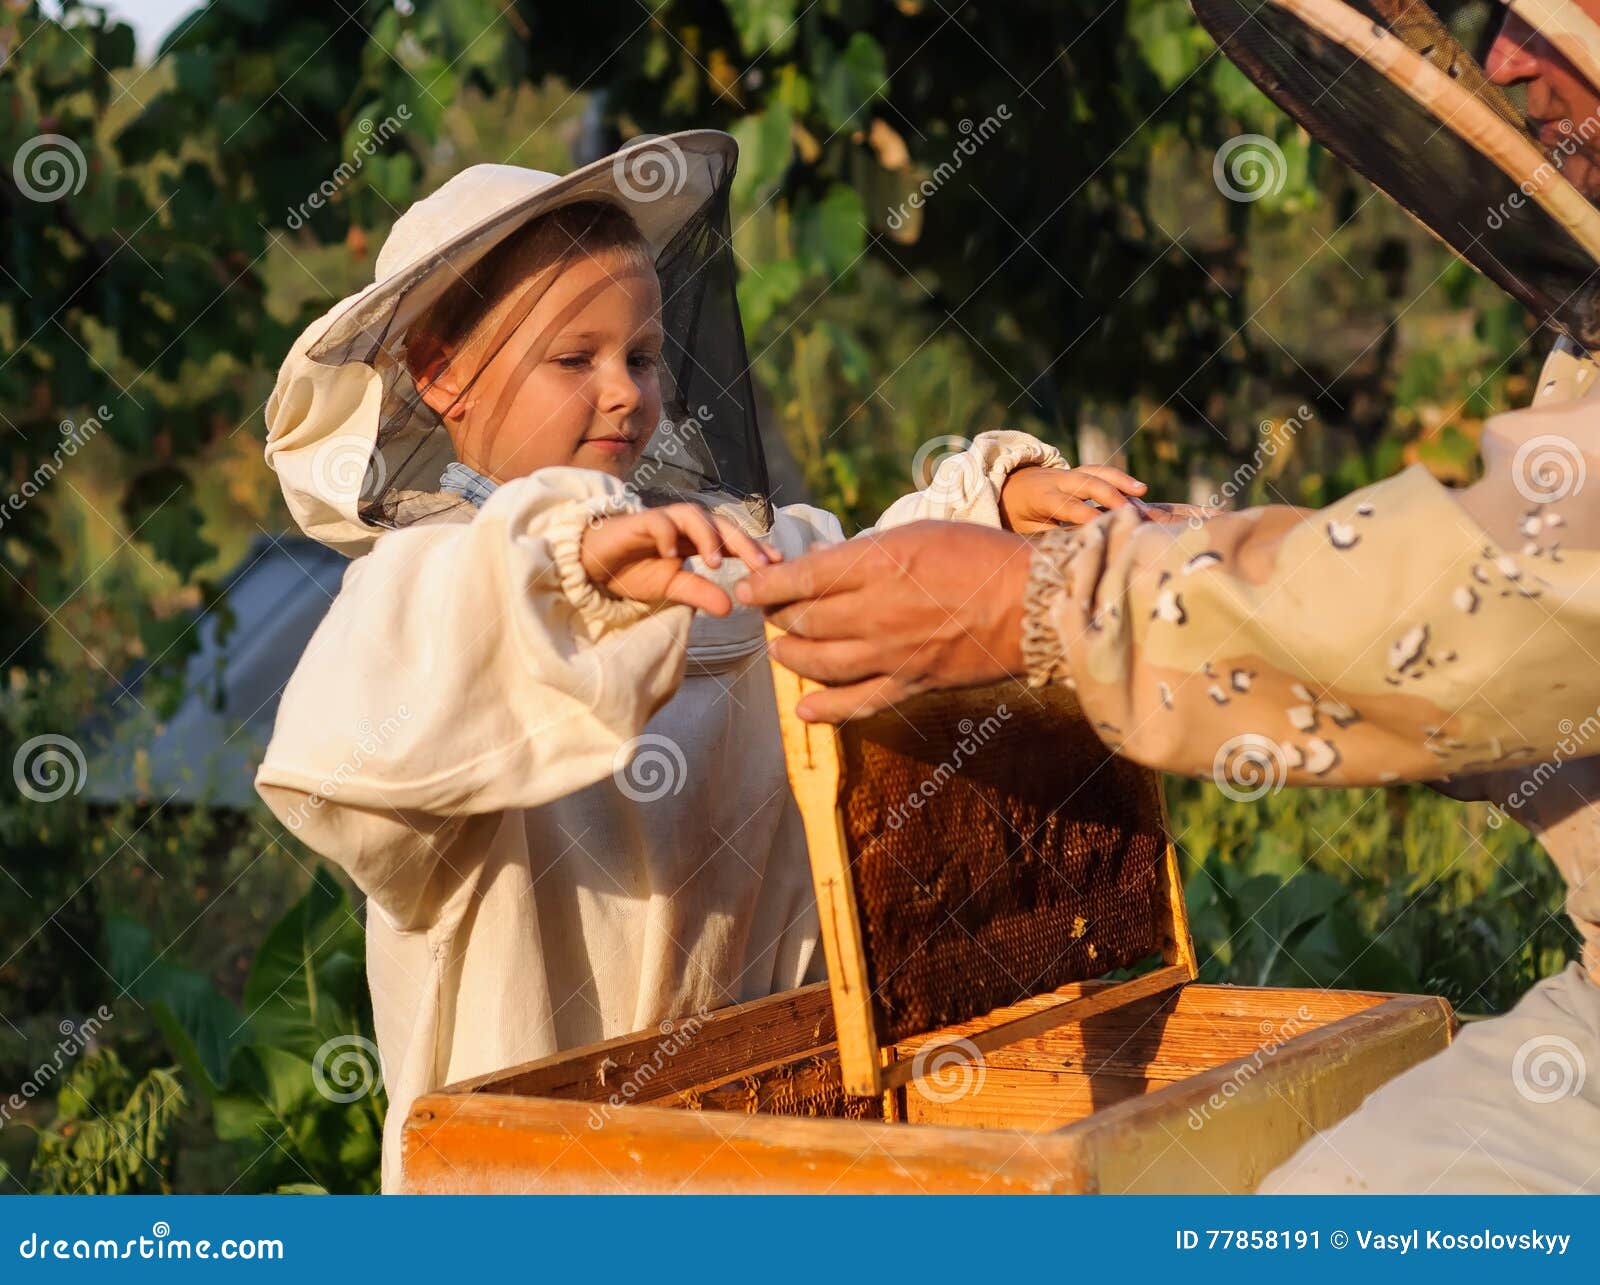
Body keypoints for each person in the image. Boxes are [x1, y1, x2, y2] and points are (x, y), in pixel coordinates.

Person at [251, 132, 1163, 1191]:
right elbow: (343, 761)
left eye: (640, 355)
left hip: (765, 1130)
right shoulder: (430, 589)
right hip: (528, 1180)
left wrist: (992, 508)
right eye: (572, 358)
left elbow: (865, 574)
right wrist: (570, 560)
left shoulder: (719, 549)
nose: (625, 391)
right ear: (441, 372)